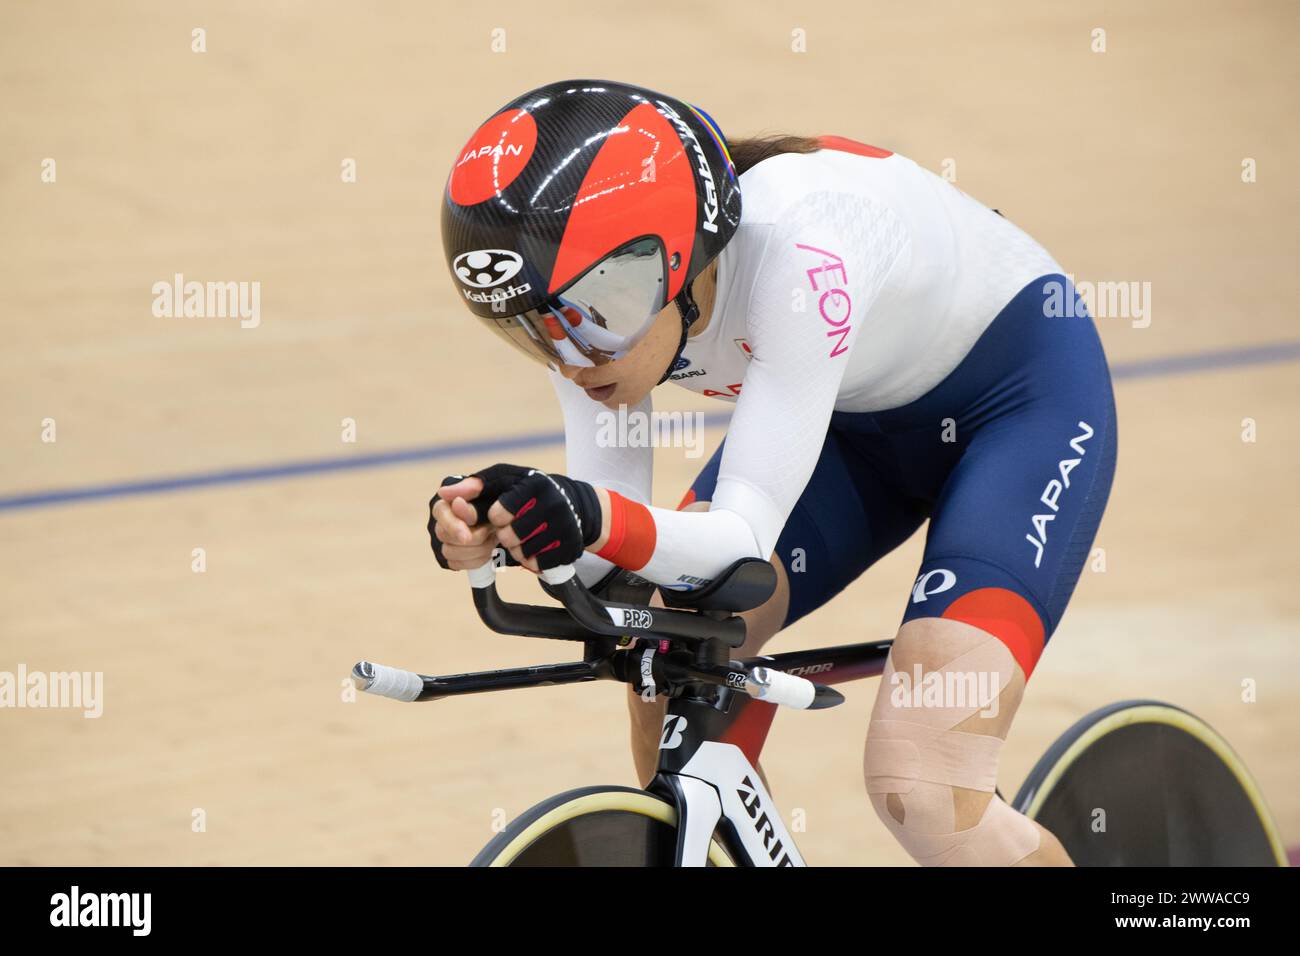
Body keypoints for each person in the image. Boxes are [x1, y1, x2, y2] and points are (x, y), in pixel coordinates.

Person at [430, 79, 1116, 866]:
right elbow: (608, 541)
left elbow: (735, 539)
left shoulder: (802, 249)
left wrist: (588, 516)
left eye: (592, 316)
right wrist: (504, 525)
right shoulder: (584, 306)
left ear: (676, 262)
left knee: (924, 785)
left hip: (1018, 406)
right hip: (843, 423)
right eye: (532, 332)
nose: (569, 358)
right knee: (667, 664)